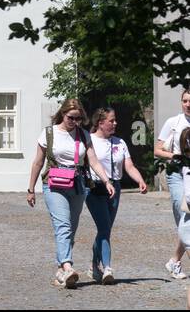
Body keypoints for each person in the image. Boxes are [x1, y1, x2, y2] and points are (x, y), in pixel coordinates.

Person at [26, 98, 116, 288]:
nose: (75, 122)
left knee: (71, 230)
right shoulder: (48, 133)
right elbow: (37, 162)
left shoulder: (83, 135)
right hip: (53, 184)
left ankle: (60, 270)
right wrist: (31, 189)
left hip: (77, 184)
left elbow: (93, 161)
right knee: (63, 226)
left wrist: (107, 181)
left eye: (78, 119)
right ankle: (68, 266)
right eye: (71, 118)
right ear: (63, 114)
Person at [85, 106, 148, 284]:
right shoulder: (89, 141)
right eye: (111, 120)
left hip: (115, 188)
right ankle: (107, 268)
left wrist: (140, 180)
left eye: (115, 120)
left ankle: (93, 264)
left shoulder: (120, 142)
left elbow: (129, 166)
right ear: (100, 122)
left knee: (105, 229)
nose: (115, 123)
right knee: (104, 228)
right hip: (95, 188)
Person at [154, 88, 190, 280]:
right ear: (181, 102)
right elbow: (157, 150)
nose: (188, 104)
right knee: (184, 213)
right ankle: (175, 261)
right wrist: (174, 156)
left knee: (188, 220)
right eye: (185, 101)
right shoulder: (173, 122)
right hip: (176, 173)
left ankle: (174, 260)